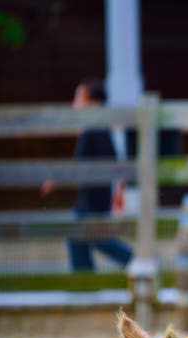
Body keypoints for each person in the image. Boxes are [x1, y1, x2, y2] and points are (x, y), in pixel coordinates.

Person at [41, 79, 133, 272]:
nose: (74, 104)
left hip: (95, 195)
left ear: (91, 101)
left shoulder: (94, 128)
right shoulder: (98, 126)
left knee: (94, 237)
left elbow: (85, 165)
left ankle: (135, 264)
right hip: (95, 193)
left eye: (78, 97)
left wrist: (57, 178)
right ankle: (86, 281)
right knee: (83, 237)